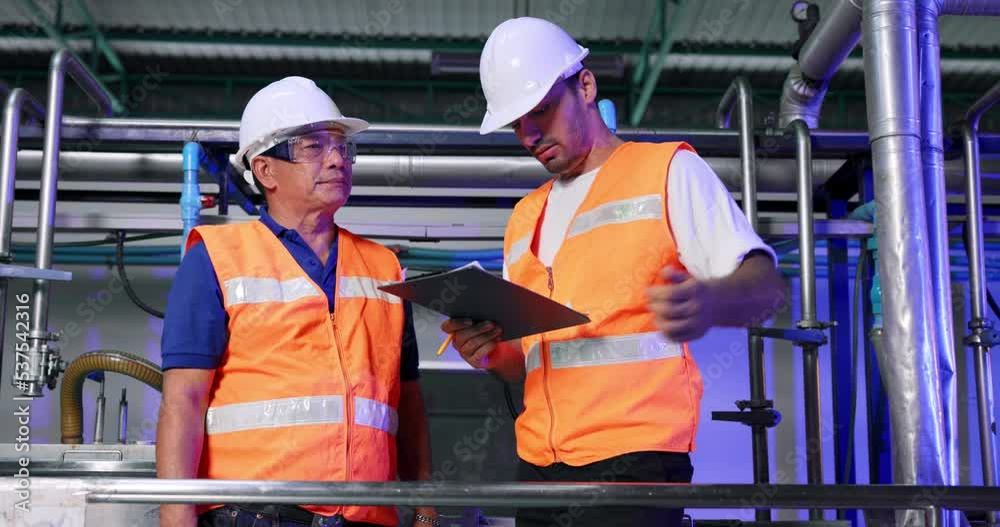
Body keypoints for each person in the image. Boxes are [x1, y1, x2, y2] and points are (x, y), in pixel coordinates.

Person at [440, 18, 788, 526]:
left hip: (635, 464)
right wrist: (492, 353)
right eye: (517, 124)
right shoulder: (524, 218)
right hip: (539, 466)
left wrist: (713, 302)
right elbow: (531, 362)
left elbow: (766, 288)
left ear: (585, 86)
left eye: (541, 111)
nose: (530, 135)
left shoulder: (667, 171)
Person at [157, 76, 440, 527]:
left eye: (342, 147)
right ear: (266, 170)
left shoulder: (383, 267)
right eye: (314, 147)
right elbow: (183, 401)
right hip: (253, 516)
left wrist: (425, 510)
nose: (336, 160)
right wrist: (176, 516)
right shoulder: (214, 258)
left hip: (366, 519)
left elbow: (407, 401)